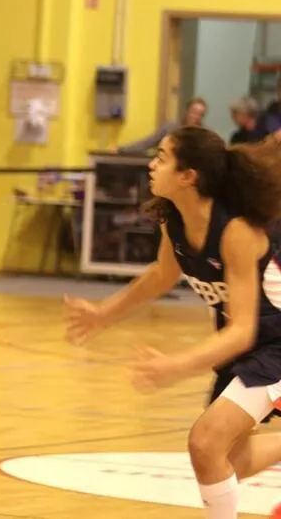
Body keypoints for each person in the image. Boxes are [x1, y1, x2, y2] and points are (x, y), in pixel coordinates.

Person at [64, 127, 281, 519]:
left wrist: (176, 365)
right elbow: (162, 274)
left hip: (275, 346)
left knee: (204, 442)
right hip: (251, 349)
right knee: (227, 460)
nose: (151, 164)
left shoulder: (235, 231)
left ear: (188, 175)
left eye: (162, 157)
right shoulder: (175, 221)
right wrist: (102, 315)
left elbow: (243, 329)